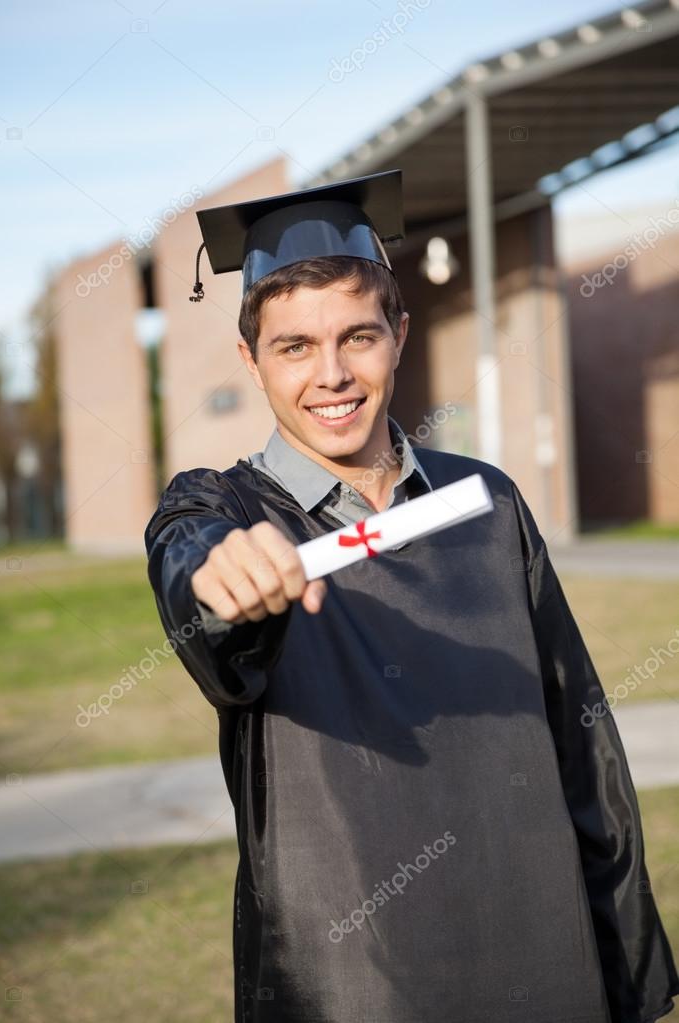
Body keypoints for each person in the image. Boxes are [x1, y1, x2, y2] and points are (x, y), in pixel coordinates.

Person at [144, 170, 679, 1023]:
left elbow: (585, 741)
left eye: (358, 337)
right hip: (351, 981)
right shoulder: (222, 513)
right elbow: (194, 579)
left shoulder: (489, 503)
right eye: (294, 348)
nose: (332, 376)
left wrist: (631, 973)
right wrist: (222, 577)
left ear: (399, 331)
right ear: (251, 359)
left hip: (545, 956)